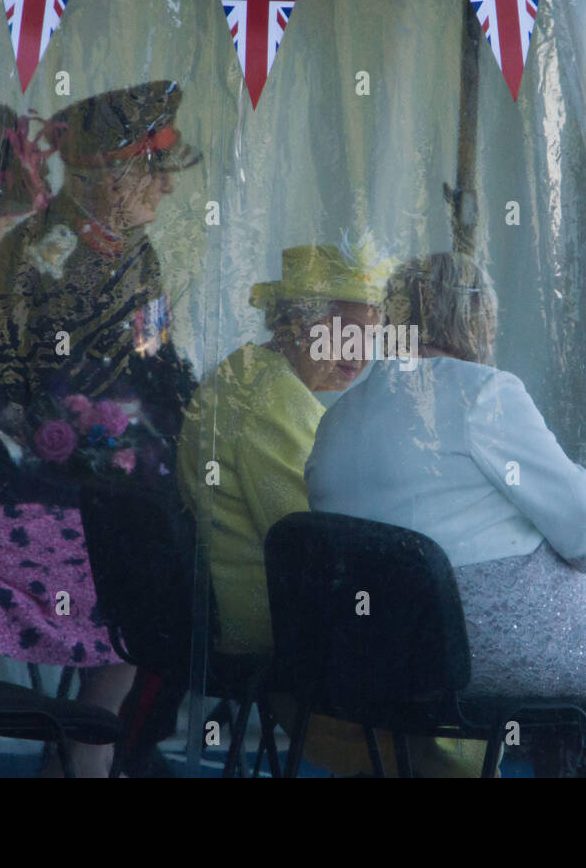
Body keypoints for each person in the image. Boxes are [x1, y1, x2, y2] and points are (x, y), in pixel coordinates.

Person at [305, 252, 586, 776]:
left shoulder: (338, 417)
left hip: (375, 657)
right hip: (480, 646)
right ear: (477, 319)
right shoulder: (483, 394)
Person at [177, 239, 485, 776]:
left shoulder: (252, 374)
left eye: (375, 336)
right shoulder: (268, 399)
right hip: (277, 625)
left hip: (254, 611)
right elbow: (318, 545)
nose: (362, 356)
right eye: (352, 333)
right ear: (300, 322)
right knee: (451, 639)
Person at [0, 82, 202, 776]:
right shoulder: (42, 252)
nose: (166, 189)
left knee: (192, 562)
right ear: (110, 174)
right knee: (154, 601)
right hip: (60, 487)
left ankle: (116, 752)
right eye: (155, 171)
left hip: (126, 477)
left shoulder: (137, 252)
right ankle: (100, 756)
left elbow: (156, 359)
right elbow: (7, 386)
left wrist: (202, 417)